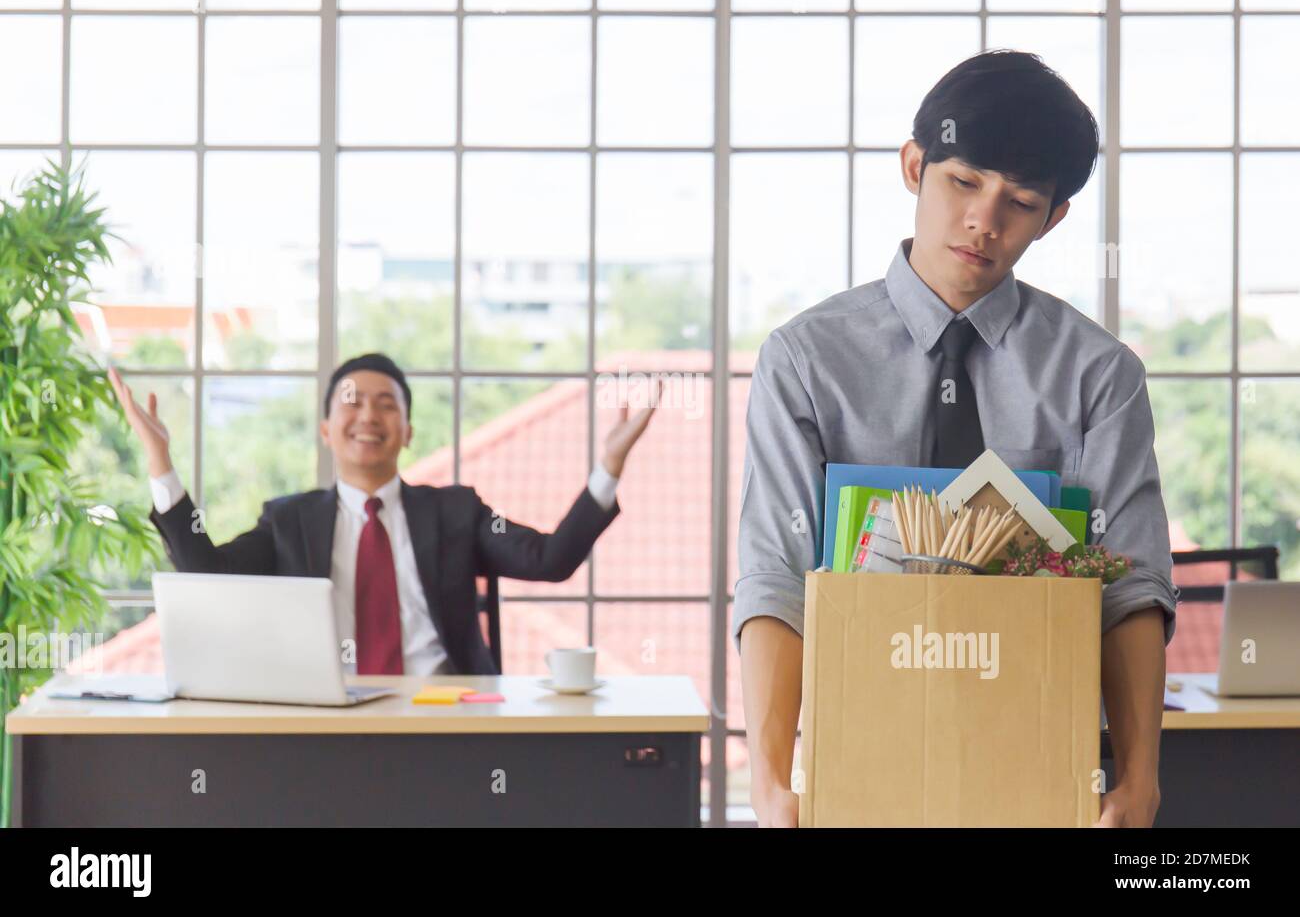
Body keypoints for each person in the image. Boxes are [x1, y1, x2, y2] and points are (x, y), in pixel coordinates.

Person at [735, 50, 1175, 827]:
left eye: (1021, 201)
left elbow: (1131, 583)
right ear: (914, 165)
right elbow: (776, 575)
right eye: (962, 182)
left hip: (1043, 765)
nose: (984, 220)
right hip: (856, 764)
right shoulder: (806, 361)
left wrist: (1139, 780)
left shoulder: (1101, 375)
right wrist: (770, 782)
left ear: (1054, 217)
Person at [109, 352, 657, 676]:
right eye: (351, 401)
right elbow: (208, 575)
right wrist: (161, 465)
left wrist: (608, 466)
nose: (368, 414)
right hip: (327, 726)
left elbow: (551, 558)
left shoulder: (456, 512)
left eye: (387, 403)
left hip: (446, 722)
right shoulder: (288, 521)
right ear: (326, 430)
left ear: (409, 432)